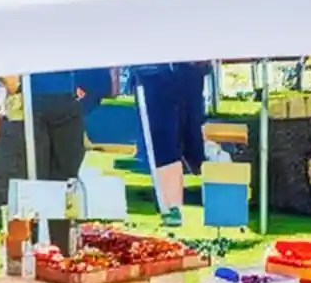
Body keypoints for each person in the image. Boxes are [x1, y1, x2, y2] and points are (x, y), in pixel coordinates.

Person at [28, 68, 118, 247]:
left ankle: (59, 247)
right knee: (35, 179)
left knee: (63, 180)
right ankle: (35, 247)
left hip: (63, 100)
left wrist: (85, 93)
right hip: (32, 100)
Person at [132, 63, 208, 228]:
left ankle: (173, 202)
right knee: (163, 140)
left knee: (189, 133)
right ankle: (171, 205)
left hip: (186, 68)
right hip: (154, 72)